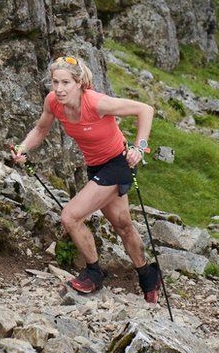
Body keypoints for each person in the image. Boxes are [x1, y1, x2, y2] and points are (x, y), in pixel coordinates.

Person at [12, 55, 162, 303]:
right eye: (55, 82)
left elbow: (145, 110)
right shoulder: (54, 102)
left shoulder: (96, 103)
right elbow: (40, 129)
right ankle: (148, 276)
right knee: (123, 225)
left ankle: (94, 273)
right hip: (96, 167)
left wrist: (140, 147)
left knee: (70, 216)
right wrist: (22, 148)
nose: (59, 89)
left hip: (117, 164)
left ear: (79, 83)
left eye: (65, 83)